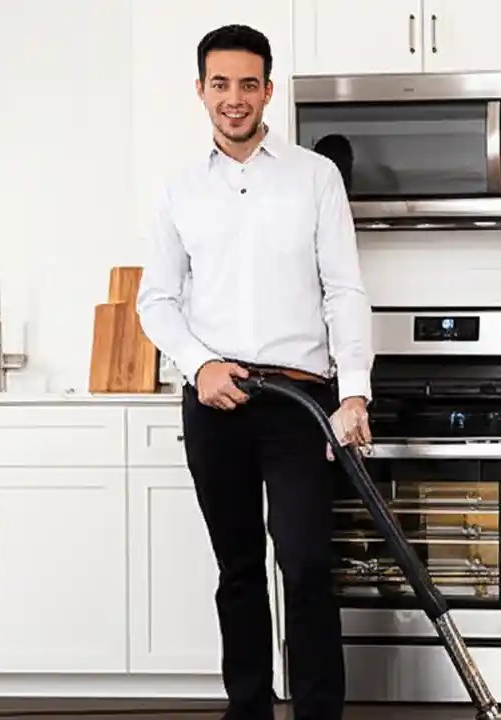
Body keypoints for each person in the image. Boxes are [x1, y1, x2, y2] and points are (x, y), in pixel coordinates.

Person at [136, 23, 371, 720]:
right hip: (216, 403)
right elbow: (157, 299)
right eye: (220, 84)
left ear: (267, 90)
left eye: (247, 84)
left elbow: (344, 289)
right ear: (201, 91)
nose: (233, 99)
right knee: (238, 571)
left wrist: (353, 390)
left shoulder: (314, 177)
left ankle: (320, 713)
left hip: (299, 402)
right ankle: (248, 710)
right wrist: (199, 363)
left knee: (305, 566)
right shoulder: (178, 192)